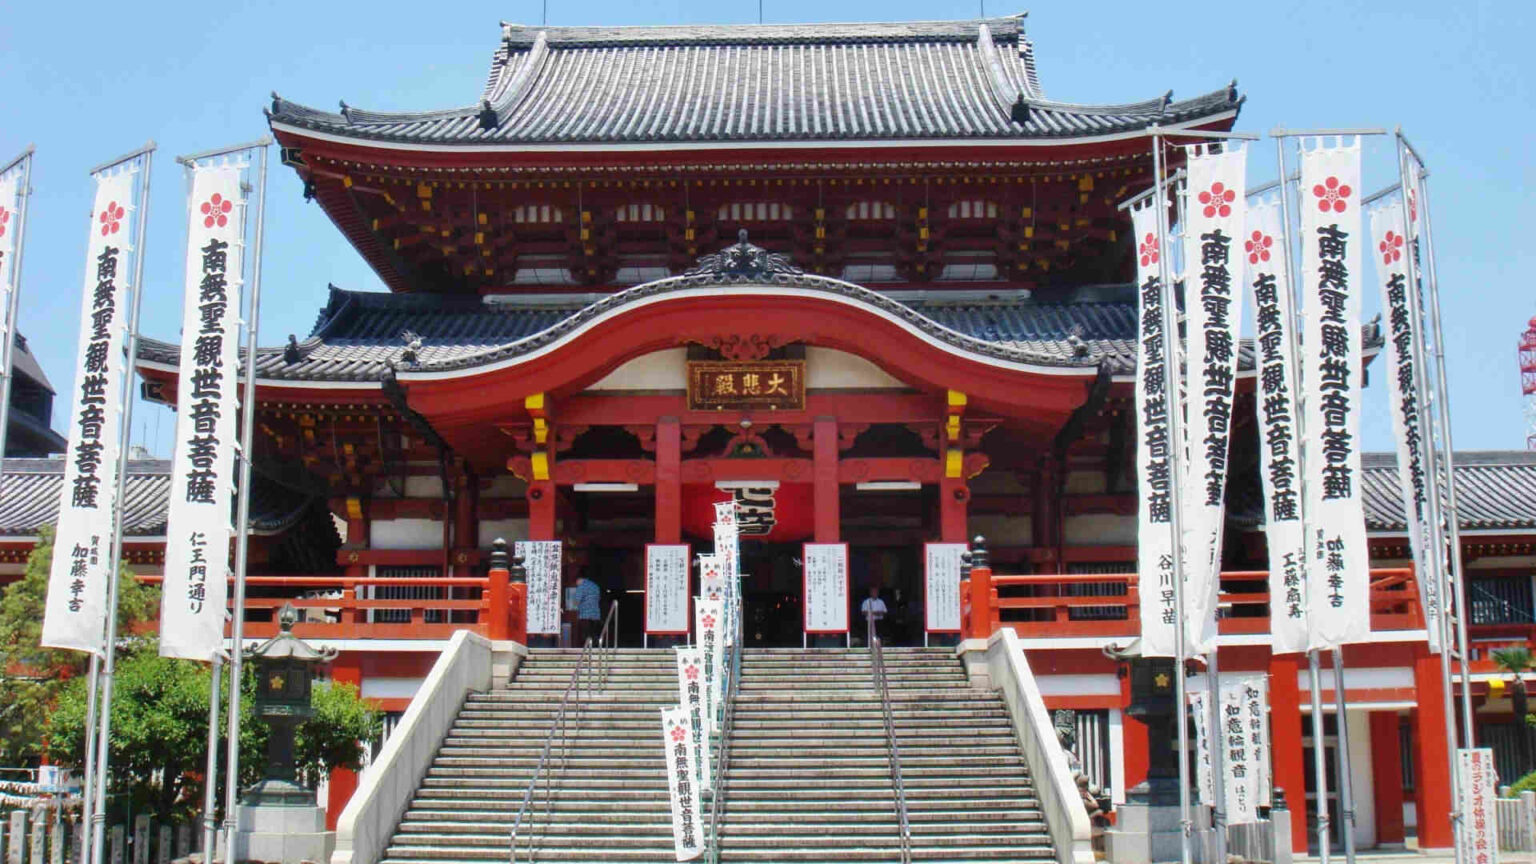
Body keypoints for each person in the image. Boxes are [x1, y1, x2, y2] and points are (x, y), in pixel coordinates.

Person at [570, 572, 602, 645]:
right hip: (596, 614)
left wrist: (572, 601)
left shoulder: (581, 586)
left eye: (576, 582)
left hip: (585, 614)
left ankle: (587, 650)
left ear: (578, 580)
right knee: (593, 633)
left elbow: (576, 601)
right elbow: (599, 599)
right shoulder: (595, 586)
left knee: (586, 635)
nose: (576, 584)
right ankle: (595, 648)